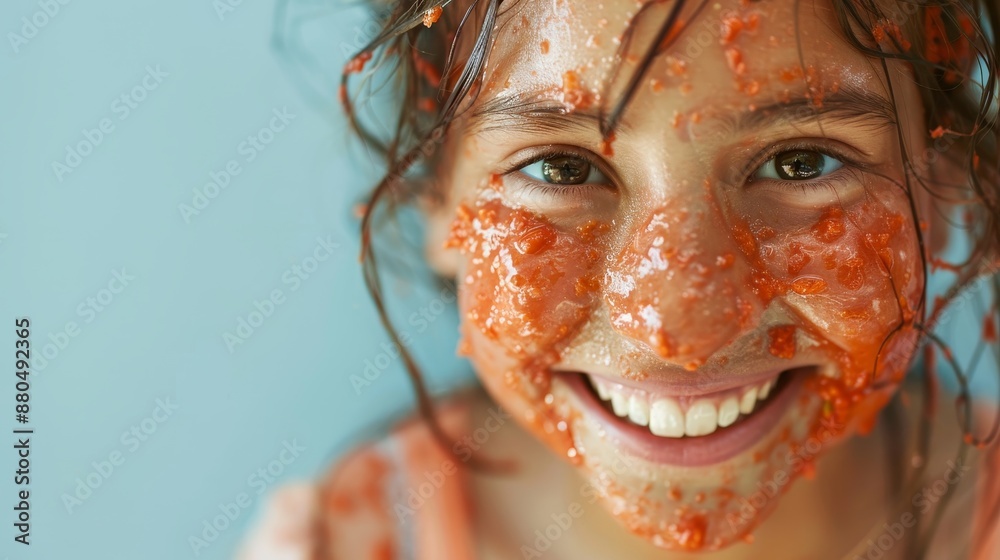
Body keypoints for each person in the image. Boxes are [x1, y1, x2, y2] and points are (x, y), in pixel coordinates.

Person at [239, 0, 1000, 557]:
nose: (680, 328)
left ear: (943, 190)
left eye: (801, 163)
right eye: (563, 169)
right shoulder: (362, 536)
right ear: (436, 200)